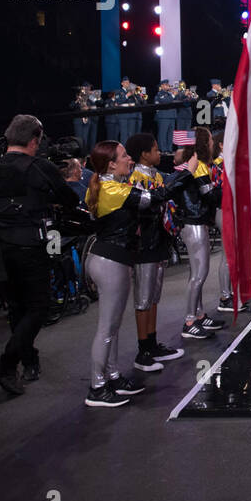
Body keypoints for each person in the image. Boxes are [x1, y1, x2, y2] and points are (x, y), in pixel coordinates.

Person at [0, 114, 82, 393]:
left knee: (18, 308)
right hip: (30, 245)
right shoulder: (40, 168)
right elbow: (70, 200)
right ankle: (7, 365)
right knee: (38, 307)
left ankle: (28, 361)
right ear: (35, 140)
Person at [83, 140, 177, 406]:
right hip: (110, 260)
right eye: (125, 156)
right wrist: (185, 173)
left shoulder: (107, 186)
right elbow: (154, 197)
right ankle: (97, 387)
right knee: (106, 327)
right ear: (111, 163)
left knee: (111, 326)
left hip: (112, 259)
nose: (130, 159)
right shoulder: (110, 188)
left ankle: (111, 375)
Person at [125, 133, 186, 373]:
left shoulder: (156, 175)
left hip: (158, 240)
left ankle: (152, 342)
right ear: (144, 154)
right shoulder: (134, 177)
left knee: (153, 296)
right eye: (156, 149)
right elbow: (144, 207)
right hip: (144, 243)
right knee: (143, 298)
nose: (160, 153)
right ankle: (143, 351)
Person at [169, 127, 225, 342]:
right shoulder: (199, 166)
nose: (212, 142)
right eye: (209, 139)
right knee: (199, 274)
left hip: (195, 221)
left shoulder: (198, 164)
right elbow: (210, 195)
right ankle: (190, 320)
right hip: (193, 222)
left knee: (198, 272)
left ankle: (199, 315)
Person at [154, 80, 177, 152]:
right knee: (163, 134)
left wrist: (174, 94)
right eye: (165, 85)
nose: (167, 86)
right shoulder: (159, 94)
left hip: (172, 116)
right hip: (164, 117)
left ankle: (169, 149)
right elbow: (165, 101)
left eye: (168, 85)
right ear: (162, 86)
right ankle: (162, 149)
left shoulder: (170, 94)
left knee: (170, 135)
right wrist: (173, 95)